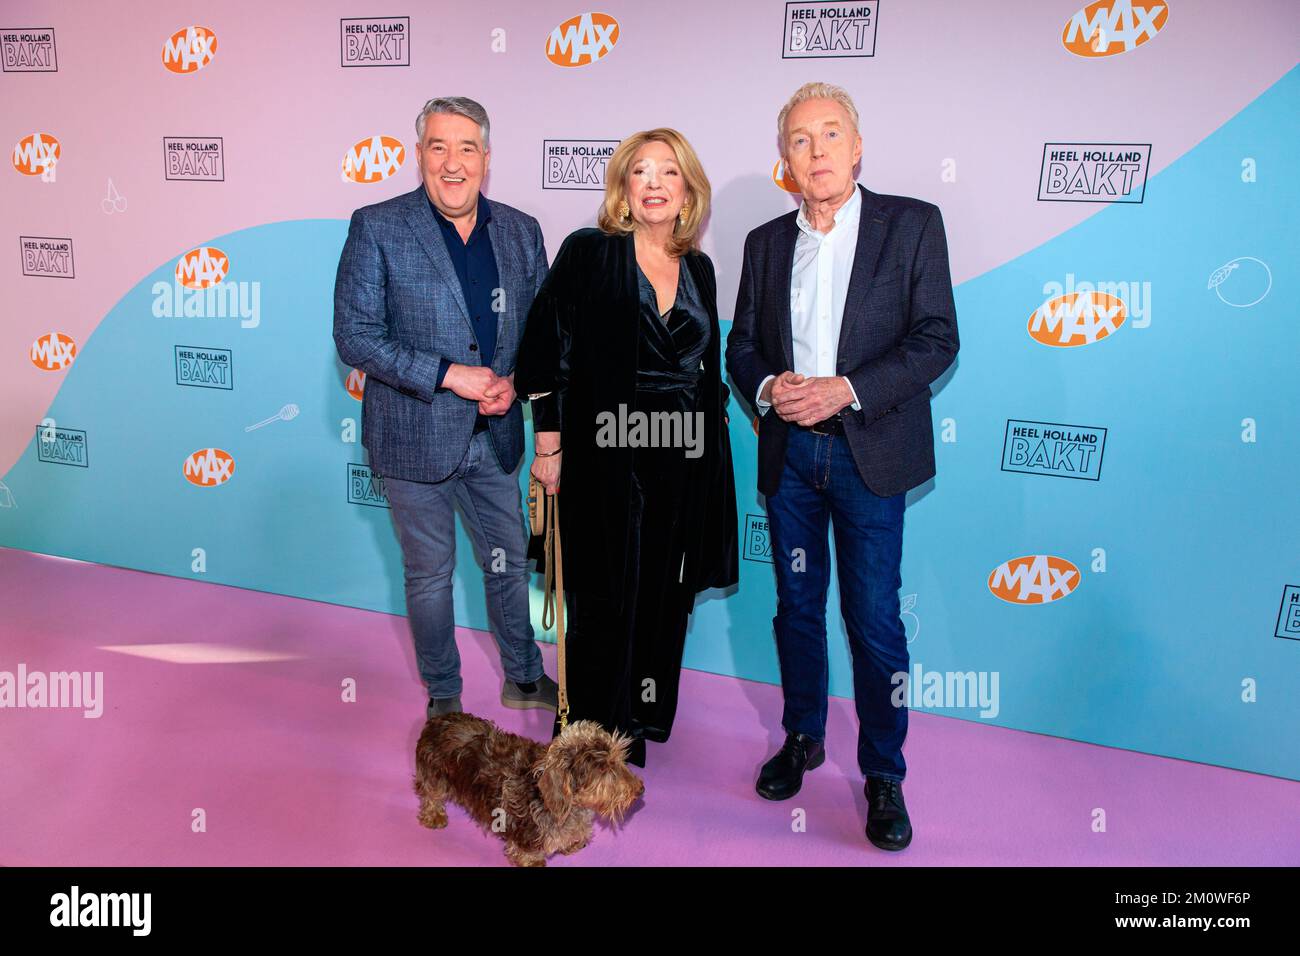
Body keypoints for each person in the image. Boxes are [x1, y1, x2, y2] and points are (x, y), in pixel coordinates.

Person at [726, 82, 959, 850]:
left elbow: (935, 339)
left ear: (857, 147)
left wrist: (845, 390)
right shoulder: (764, 243)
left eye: (830, 134)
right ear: (785, 159)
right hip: (791, 457)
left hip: (872, 457)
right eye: (800, 138)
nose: (817, 150)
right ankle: (802, 737)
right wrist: (769, 386)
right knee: (796, 610)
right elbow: (742, 349)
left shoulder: (914, 225)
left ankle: (884, 773)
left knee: (875, 623)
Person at [515, 128, 738, 768]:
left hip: (682, 457)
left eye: (669, 172)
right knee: (601, 590)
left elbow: (708, 369)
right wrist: (550, 445)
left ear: (688, 189)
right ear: (623, 187)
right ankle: (586, 734)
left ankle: (636, 721)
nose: (655, 184)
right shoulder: (590, 252)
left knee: (661, 594)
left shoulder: (699, 266)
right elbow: (545, 348)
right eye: (641, 172)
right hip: (605, 453)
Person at [333, 96, 559, 719]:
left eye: (466, 148)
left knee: (508, 563)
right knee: (430, 577)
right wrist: (447, 375)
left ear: (487, 159)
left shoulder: (520, 230)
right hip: (412, 439)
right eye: (439, 147)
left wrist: (515, 378)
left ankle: (522, 675)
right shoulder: (377, 225)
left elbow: (542, 331)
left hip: (496, 437)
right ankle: (444, 697)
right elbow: (355, 335)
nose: (452, 163)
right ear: (419, 156)